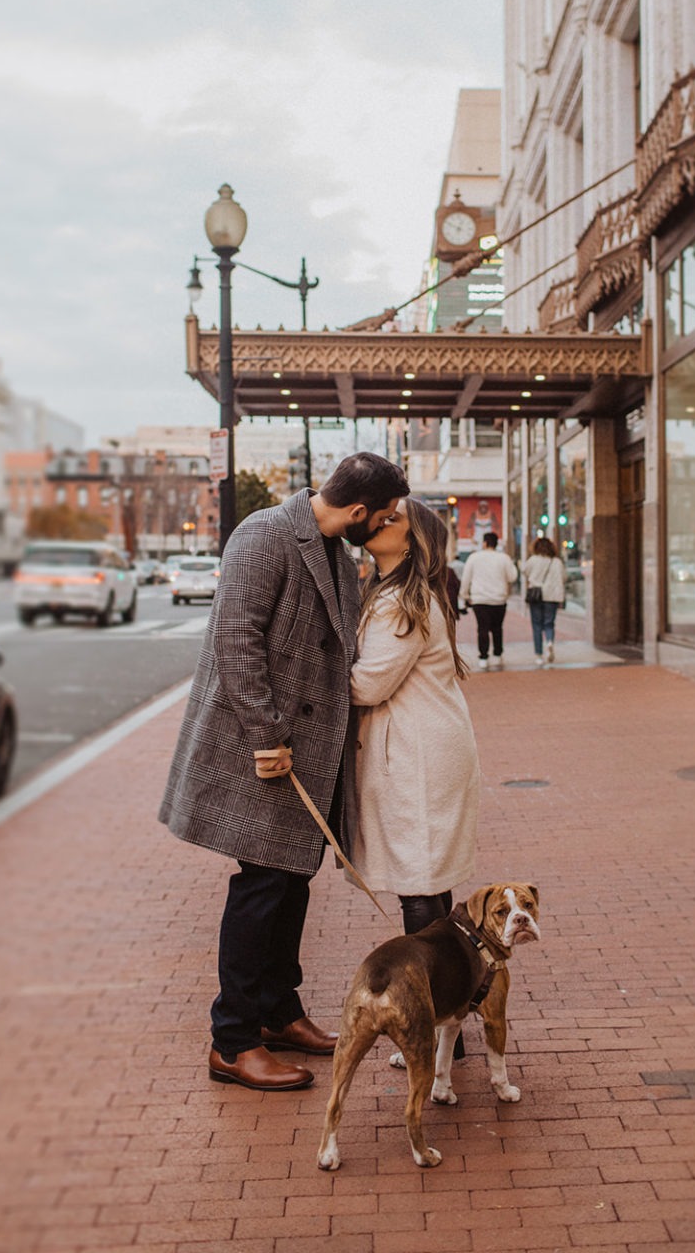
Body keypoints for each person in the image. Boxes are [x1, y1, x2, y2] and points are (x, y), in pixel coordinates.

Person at [158, 452, 409, 1093]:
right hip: (262, 749)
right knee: (262, 887)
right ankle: (232, 1040)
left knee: (293, 878)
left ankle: (279, 1012)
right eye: (380, 515)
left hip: (307, 750)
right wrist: (268, 735)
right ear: (357, 511)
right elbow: (235, 638)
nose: (383, 523)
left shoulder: (334, 550)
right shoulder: (264, 534)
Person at [349, 499, 478, 938]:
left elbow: (367, 685)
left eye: (393, 518)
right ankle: (448, 987)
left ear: (413, 542)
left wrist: (311, 683)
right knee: (426, 875)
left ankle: (430, 990)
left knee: (418, 877)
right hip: (425, 745)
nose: (381, 520)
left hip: (416, 753)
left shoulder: (401, 602)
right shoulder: (401, 593)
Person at [459, 530, 517, 670]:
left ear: (484, 543)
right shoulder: (504, 558)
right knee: (497, 628)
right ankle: (498, 654)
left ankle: (483, 657)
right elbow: (512, 577)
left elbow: (466, 579)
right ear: (496, 544)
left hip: (480, 599)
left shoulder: (474, 558)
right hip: (499, 599)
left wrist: (465, 596)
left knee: (482, 628)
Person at [522, 535, 567, 666]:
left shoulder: (533, 560)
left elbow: (524, 571)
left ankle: (538, 655)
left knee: (536, 625)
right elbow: (564, 577)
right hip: (552, 596)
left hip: (536, 595)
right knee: (549, 623)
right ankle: (549, 642)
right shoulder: (557, 562)